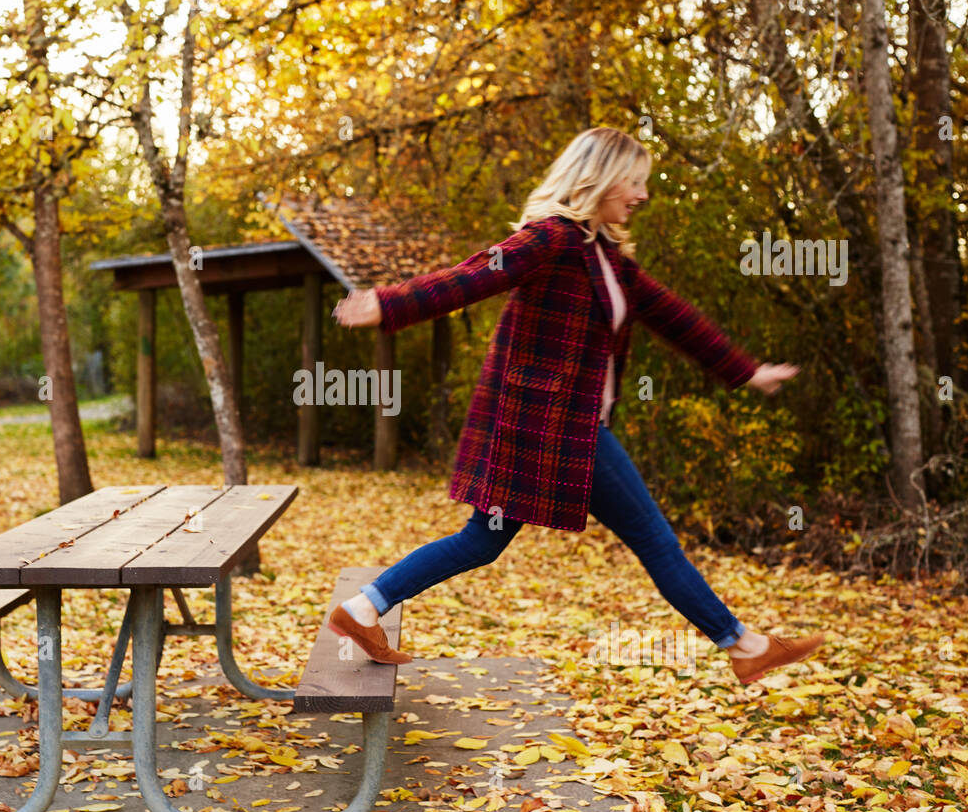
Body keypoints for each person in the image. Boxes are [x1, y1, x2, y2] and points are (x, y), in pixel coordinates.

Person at [329, 126, 824, 686]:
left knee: (481, 541)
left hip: (548, 429)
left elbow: (676, 317)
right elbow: (472, 277)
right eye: (634, 182)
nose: (641, 195)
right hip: (564, 430)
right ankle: (742, 643)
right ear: (601, 177)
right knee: (656, 540)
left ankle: (365, 607)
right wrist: (388, 306)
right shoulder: (552, 240)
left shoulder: (608, 258)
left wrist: (746, 370)